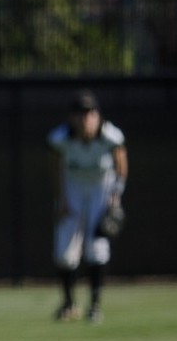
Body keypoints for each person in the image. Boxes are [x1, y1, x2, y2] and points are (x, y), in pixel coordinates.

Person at [49, 89, 128, 324]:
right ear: (72, 117)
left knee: (97, 247)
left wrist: (116, 197)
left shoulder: (110, 135)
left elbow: (121, 165)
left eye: (90, 113)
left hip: (101, 187)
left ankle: (94, 305)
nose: (86, 119)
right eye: (80, 114)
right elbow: (54, 167)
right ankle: (69, 304)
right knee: (64, 251)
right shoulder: (61, 138)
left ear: (97, 115)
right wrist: (60, 200)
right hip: (72, 186)